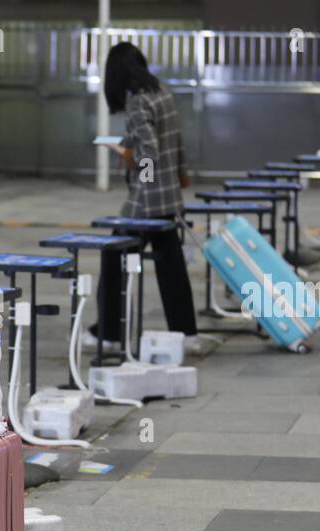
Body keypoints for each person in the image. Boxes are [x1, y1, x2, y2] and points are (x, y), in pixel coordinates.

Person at [91, 41, 200, 353]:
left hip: (146, 203)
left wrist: (129, 157)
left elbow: (149, 151)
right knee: (171, 268)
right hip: (169, 199)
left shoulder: (138, 102)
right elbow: (173, 140)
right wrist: (180, 175)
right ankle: (186, 333)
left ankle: (109, 334)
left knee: (113, 257)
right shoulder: (161, 93)